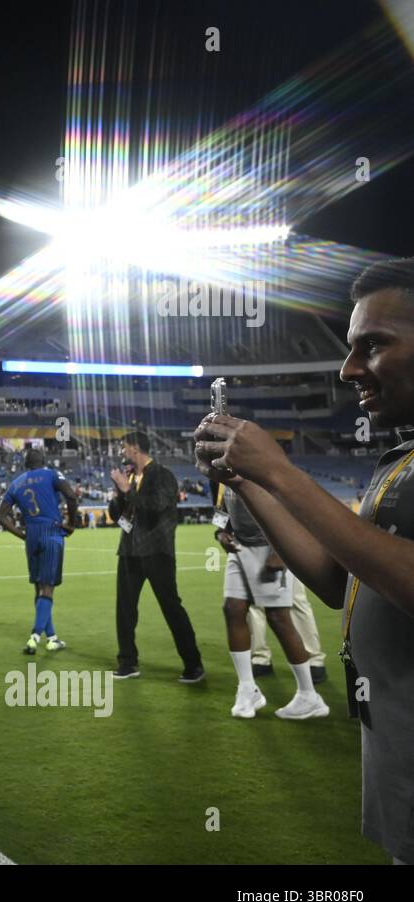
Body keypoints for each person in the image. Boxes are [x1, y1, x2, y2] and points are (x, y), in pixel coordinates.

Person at [194, 257, 414, 864]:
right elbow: (339, 580)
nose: (349, 370)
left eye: (373, 346)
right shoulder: (400, 458)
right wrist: (248, 482)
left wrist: (281, 472)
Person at [213, 484, 328, 719]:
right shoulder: (224, 472)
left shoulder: (258, 464)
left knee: (278, 618)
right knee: (233, 609)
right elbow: (223, 510)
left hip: (271, 547)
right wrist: (220, 533)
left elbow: (293, 509)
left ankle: (309, 695)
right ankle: (247, 689)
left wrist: (281, 552)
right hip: (240, 547)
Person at [108, 431, 204, 682]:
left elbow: (155, 505)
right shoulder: (128, 476)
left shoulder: (163, 475)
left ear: (136, 448)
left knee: (171, 607)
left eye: (124, 447)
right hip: (129, 550)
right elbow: (117, 516)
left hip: (157, 550)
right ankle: (127, 662)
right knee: (124, 609)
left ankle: (193, 665)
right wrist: (118, 495)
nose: (121, 452)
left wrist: (127, 489)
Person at [0, 447, 78, 655]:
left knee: (38, 588)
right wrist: (71, 523)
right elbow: (71, 496)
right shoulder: (51, 474)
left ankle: (52, 638)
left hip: (31, 534)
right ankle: (34, 637)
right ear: (43, 461)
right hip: (52, 532)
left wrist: (22, 535)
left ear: (26, 465)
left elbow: (0, 516)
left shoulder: (16, 483)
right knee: (48, 588)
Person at [247, 577, 327, 683]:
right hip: (252, 560)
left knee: (294, 598)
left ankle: (313, 660)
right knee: (253, 601)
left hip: (287, 560)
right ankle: (260, 658)